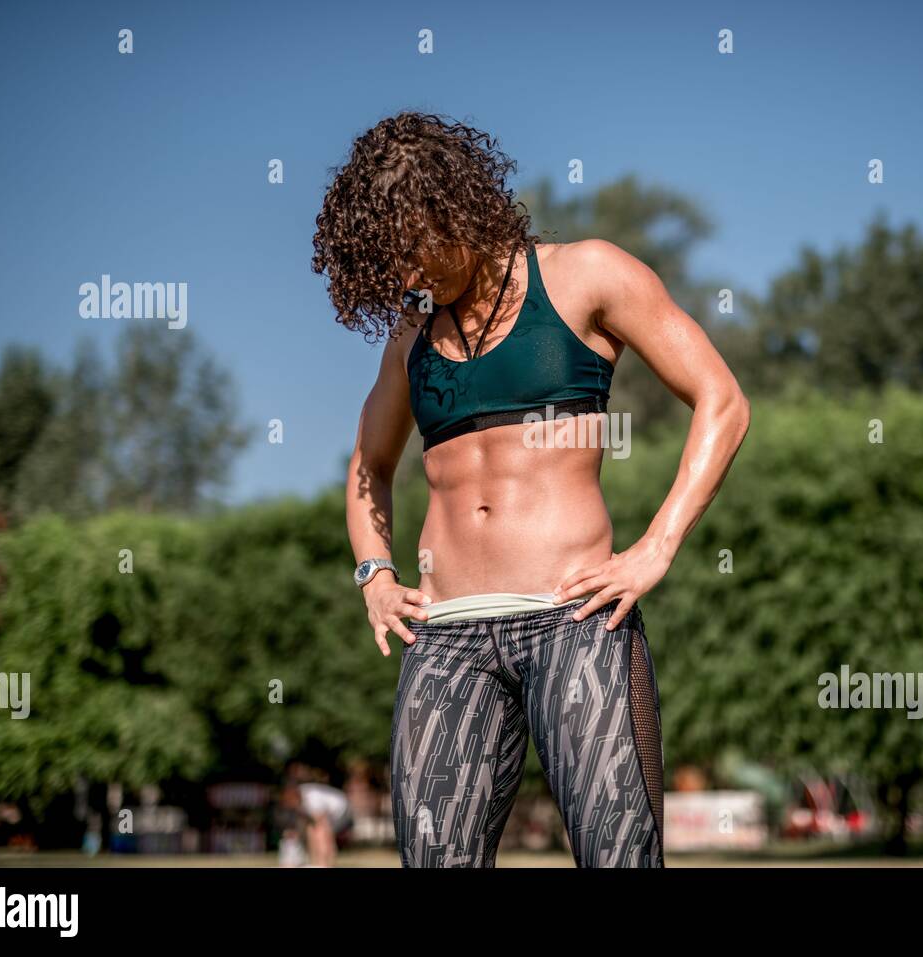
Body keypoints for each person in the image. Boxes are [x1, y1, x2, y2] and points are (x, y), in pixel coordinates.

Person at [312, 111, 750, 867]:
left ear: (457, 205)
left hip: (576, 619)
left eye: (415, 247)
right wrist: (373, 575)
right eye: (394, 262)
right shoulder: (411, 337)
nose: (410, 276)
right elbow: (368, 467)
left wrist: (656, 547)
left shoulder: (587, 274)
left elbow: (723, 399)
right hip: (446, 637)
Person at [279, 781, 353, 867]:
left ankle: (327, 863)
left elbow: (323, 825)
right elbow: (306, 825)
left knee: (321, 833)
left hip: (342, 809)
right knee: (312, 831)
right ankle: (316, 862)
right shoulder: (299, 798)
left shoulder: (312, 798)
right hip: (328, 813)